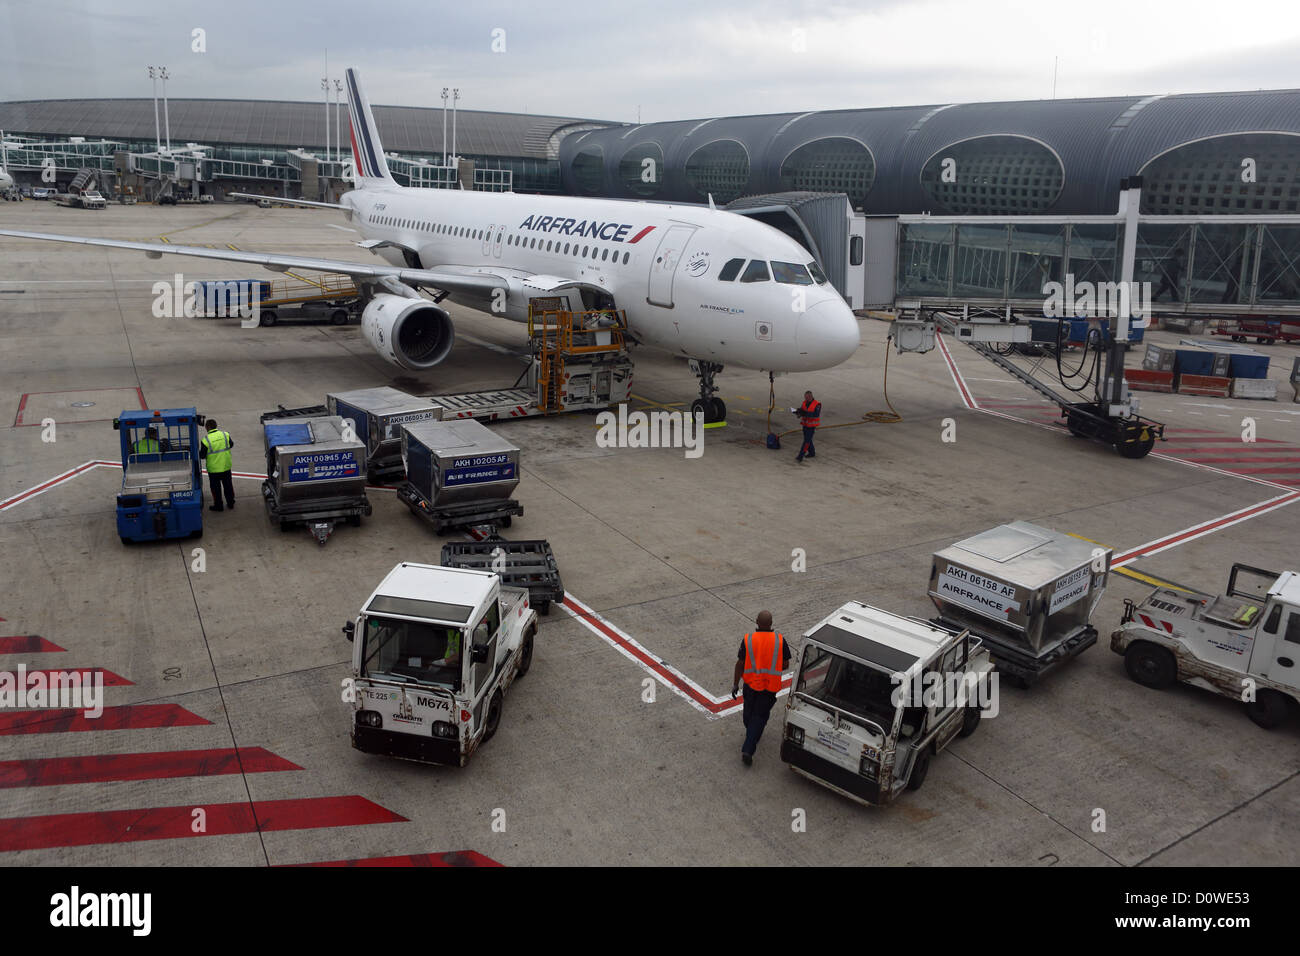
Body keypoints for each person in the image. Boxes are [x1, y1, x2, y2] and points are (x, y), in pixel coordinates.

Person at [731, 610, 791, 765]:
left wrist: (735, 683)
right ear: (771, 623)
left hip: (751, 686)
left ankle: (748, 750)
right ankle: (755, 731)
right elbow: (785, 664)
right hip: (769, 688)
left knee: (751, 716)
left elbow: (740, 663)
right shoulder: (780, 641)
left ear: (756, 621)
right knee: (756, 718)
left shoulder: (748, 640)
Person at [201, 419, 236, 512]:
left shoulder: (205, 440)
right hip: (226, 466)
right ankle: (230, 503)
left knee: (215, 489)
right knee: (228, 486)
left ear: (207, 427)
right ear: (216, 425)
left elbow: (202, 455)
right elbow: (231, 445)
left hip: (214, 470)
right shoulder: (225, 434)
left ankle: (218, 506)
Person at [792, 390, 822, 462]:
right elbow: (802, 410)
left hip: (811, 426)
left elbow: (815, 414)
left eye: (807, 398)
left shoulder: (817, 404)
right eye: (805, 397)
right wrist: (798, 413)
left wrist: (804, 413)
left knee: (806, 441)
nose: (806, 399)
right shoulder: (804, 402)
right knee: (808, 439)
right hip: (805, 425)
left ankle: (800, 456)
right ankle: (812, 452)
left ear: (811, 397)